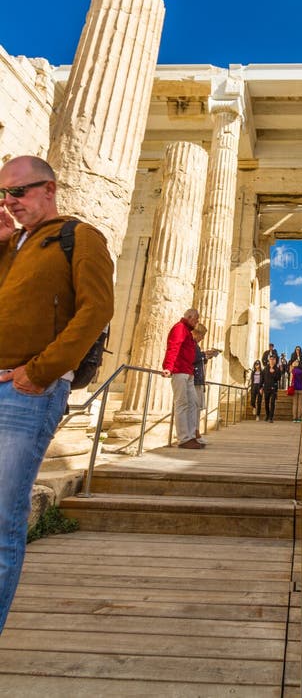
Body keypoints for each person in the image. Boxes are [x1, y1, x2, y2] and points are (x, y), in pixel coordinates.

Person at [0, 155, 114, 632]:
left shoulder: (79, 236)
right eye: (3, 194)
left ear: (49, 188)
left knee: (2, 520)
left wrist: (41, 372)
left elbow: (96, 309)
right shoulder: (11, 245)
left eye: (18, 192)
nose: (10, 202)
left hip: (27, 393)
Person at [162, 308, 206, 449]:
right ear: (189, 317)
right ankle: (184, 438)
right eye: (196, 319)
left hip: (189, 372)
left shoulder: (186, 331)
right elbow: (173, 347)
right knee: (181, 403)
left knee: (193, 403)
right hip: (179, 371)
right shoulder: (179, 328)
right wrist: (168, 366)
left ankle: (192, 435)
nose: (197, 322)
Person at [191, 323, 220, 443]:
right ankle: (193, 433)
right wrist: (204, 354)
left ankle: (195, 432)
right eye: (202, 335)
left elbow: (196, 358)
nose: (202, 338)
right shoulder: (191, 344)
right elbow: (192, 358)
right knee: (193, 408)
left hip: (198, 379)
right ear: (196, 333)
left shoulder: (195, 345)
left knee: (197, 407)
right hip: (194, 380)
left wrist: (205, 356)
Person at [261, 354, 281, 422]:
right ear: (269, 360)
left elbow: (278, 378)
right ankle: (267, 415)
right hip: (266, 388)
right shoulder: (265, 368)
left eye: (273, 359)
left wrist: (274, 372)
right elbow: (262, 378)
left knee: (272, 403)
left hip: (273, 388)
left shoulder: (277, 369)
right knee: (266, 403)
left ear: (275, 361)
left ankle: (271, 417)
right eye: (271, 359)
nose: (272, 361)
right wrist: (261, 387)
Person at [289, 345, 302, 422]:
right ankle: (294, 417)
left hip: (301, 383)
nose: (297, 351)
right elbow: (290, 368)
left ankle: (299, 417)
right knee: (295, 402)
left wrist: (297, 364)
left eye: (299, 349)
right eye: (296, 349)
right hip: (295, 383)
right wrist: (293, 365)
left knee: (300, 403)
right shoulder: (292, 359)